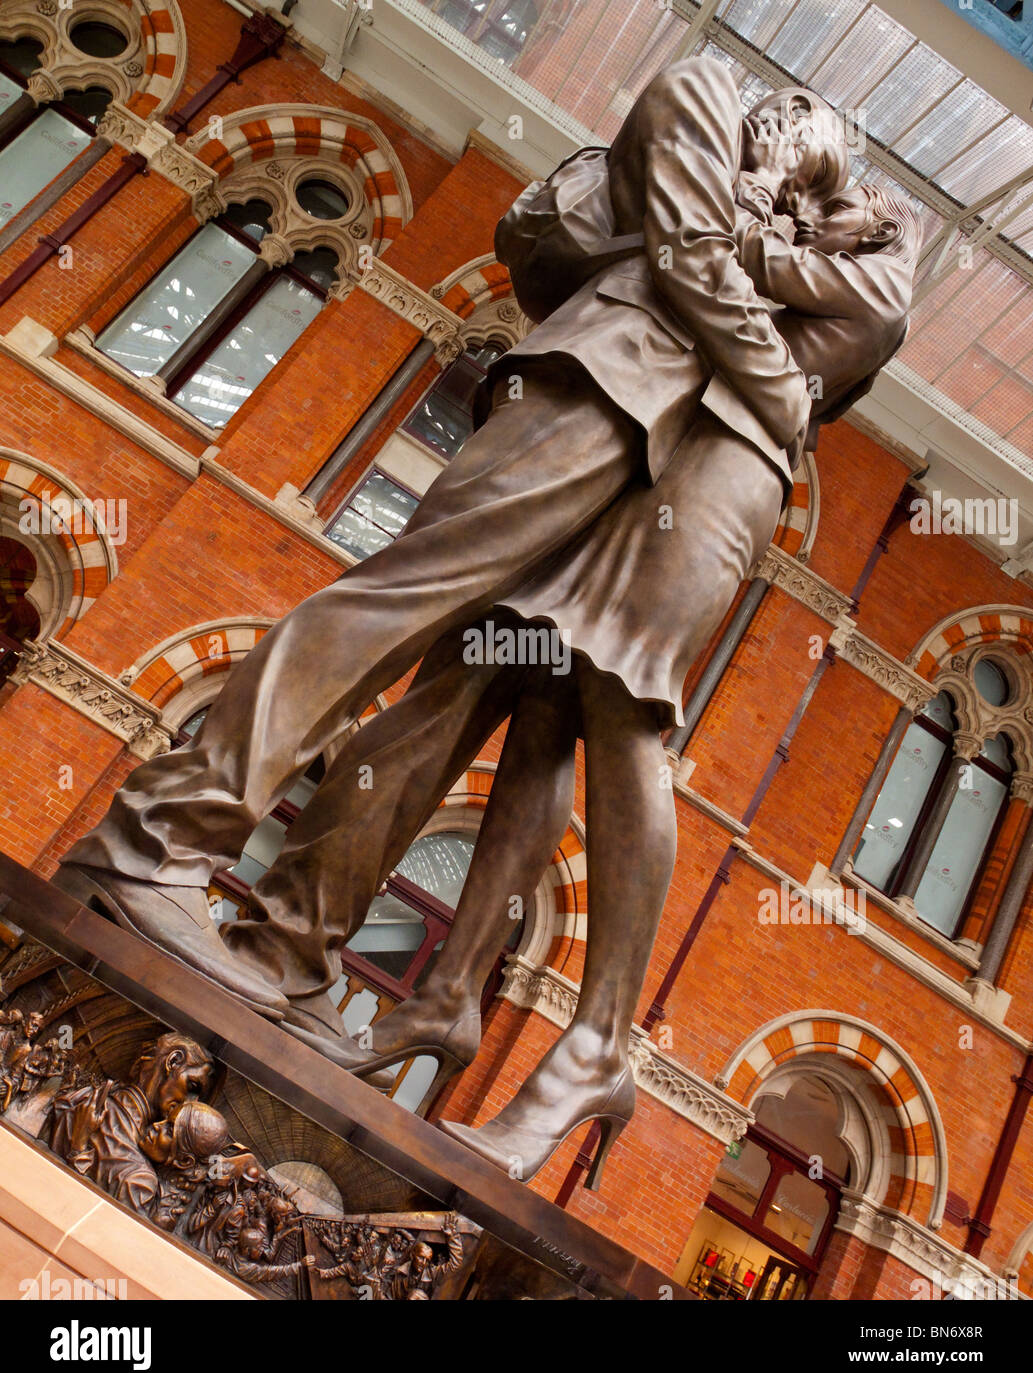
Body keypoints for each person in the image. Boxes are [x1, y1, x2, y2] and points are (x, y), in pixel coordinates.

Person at [53, 60, 849, 1034]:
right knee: (393, 600)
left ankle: (294, 943)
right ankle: (161, 833)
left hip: (634, 448)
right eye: (802, 178)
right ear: (785, 133)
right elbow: (688, 260)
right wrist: (780, 393)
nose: (793, 206)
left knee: (449, 697)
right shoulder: (706, 91)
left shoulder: (760, 213)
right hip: (591, 387)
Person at [273, 184, 920, 1185]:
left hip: (723, 479)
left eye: (832, 200)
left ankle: (598, 1043)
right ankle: (449, 989)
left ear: (877, 222)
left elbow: (718, 256)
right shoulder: (807, 265)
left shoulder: (877, 282)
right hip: (660, 463)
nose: (809, 206)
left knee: (625, 706)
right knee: (542, 701)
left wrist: (724, 221)